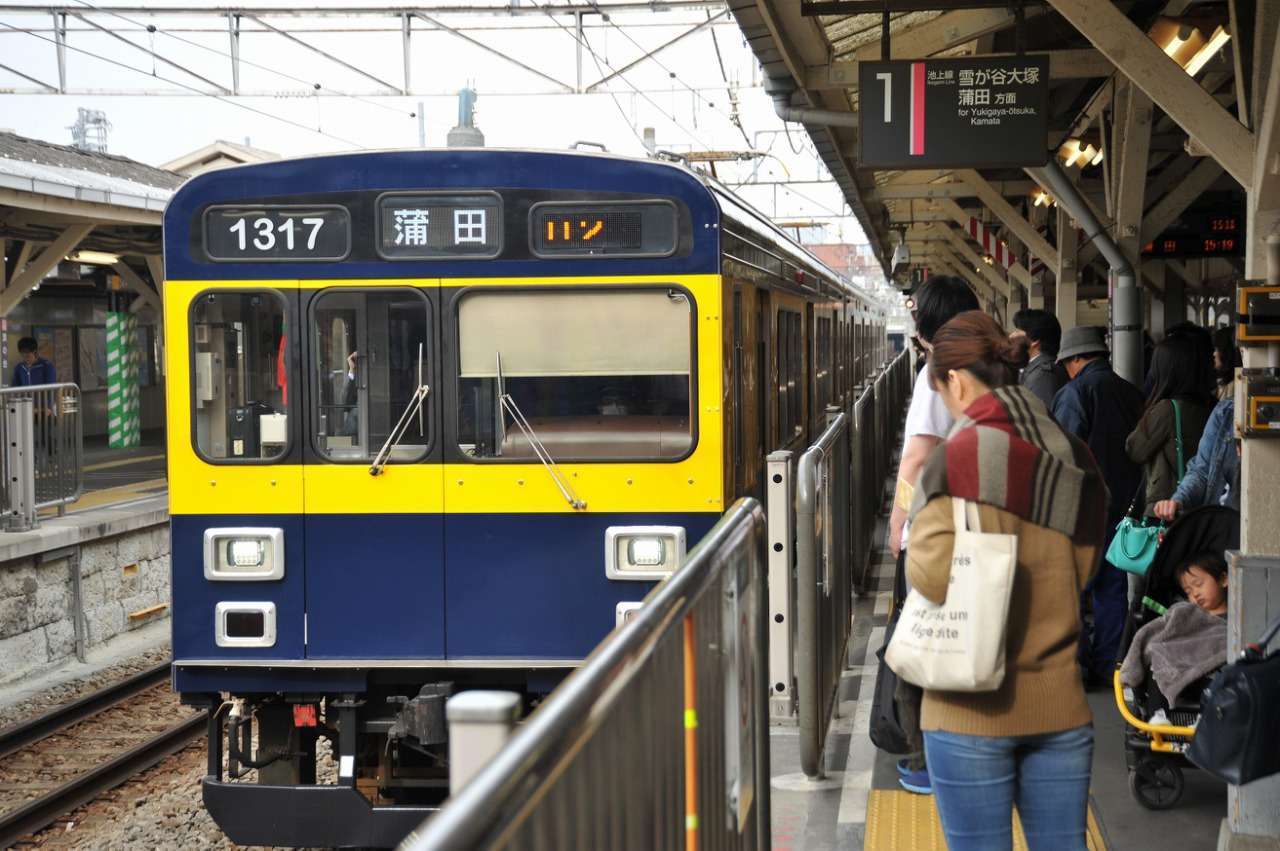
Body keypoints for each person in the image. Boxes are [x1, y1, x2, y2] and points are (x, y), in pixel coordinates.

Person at [906, 310, 1106, 851]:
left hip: (967, 709)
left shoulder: (953, 460)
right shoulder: (1075, 457)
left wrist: (914, 504)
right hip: (1059, 705)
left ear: (956, 380)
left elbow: (928, 575)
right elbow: (1085, 570)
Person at [887, 274, 980, 795]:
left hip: (937, 527)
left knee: (923, 642)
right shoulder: (991, 363)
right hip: (979, 521)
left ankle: (929, 761)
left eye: (915, 309)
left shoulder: (936, 373)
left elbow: (918, 457)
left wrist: (901, 522)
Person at [1051, 326, 1145, 688]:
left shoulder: (1074, 393)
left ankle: (1076, 667)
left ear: (1076, 360)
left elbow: (1065, 453)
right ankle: (1111, 665)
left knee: (1069, 586)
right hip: (1125, 504)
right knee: (1112, 586)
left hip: (1083, 506)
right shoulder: (1131, 392)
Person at [1154, 330, 1241, 520]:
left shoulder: (1164, 408)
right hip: (1222, 529)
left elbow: (1133, 447)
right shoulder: (1225, 411)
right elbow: (1201, 471)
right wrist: (1178, 500)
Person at [1125, 337, 1212, 518]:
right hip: (1202, 507)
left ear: (1165, 370)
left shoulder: (1167, 409)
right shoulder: (1213, 407)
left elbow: (1135, 449)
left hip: (1165, 509)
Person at [1010, 308, 1067, 408]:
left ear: (1034, 340)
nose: (1012, 335)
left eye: (1018, 331)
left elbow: (1043, 418)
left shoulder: (1043, 376)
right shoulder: (1035, 370)